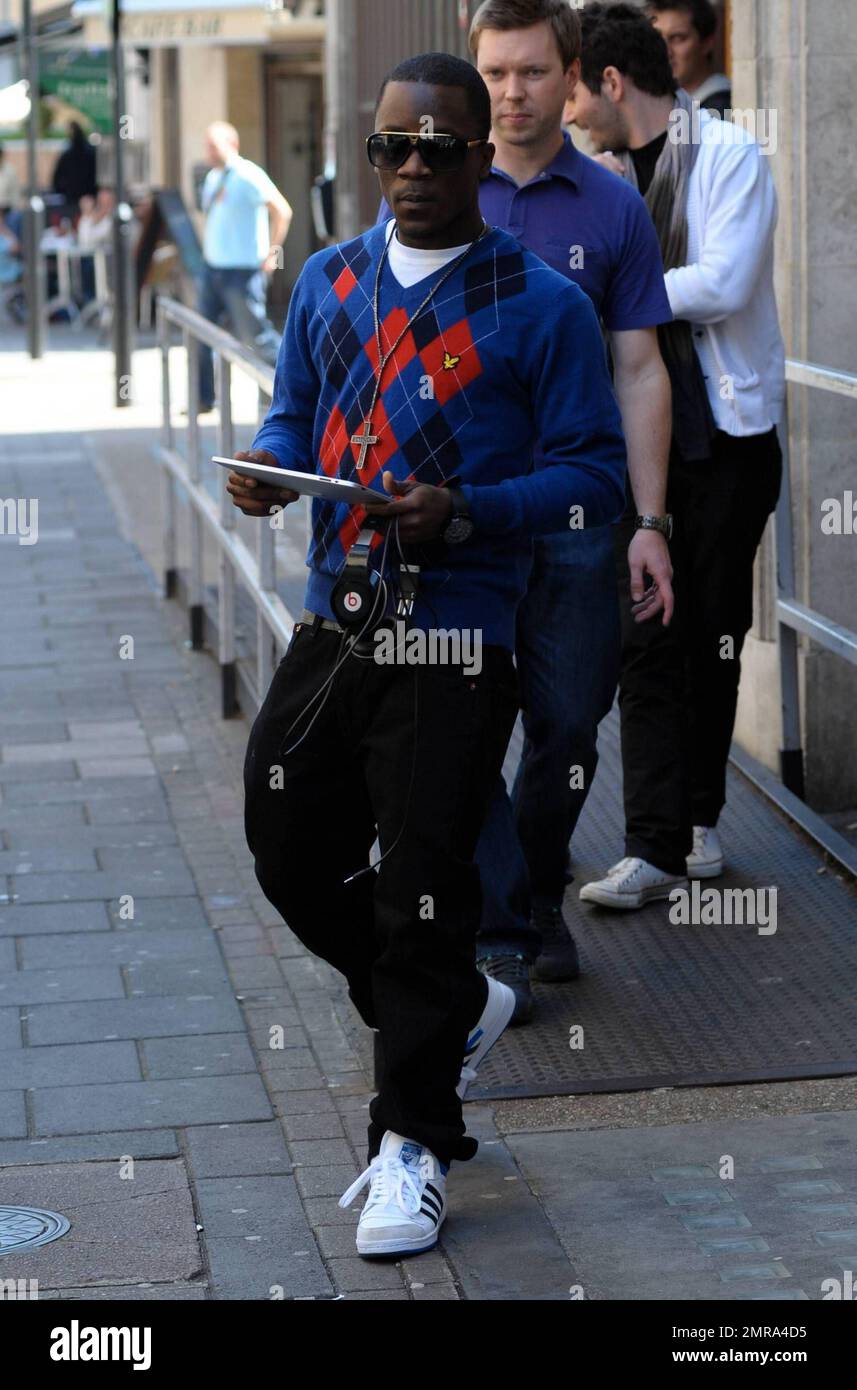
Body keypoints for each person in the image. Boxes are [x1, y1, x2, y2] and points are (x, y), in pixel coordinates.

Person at [228, 52, 626, 1259]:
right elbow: (296, 412)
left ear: (476, 154)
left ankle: (412, 1143)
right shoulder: (329, 280)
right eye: (390, 148)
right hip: (333, 618)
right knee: (285, 838)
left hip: (457, 631)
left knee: (418, 888)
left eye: (437, 148)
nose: (410, 168)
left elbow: (592, 480)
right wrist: (263, 461)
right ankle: (454, 1005)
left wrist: (464, 509)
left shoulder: (540, 303)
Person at [374, 1, 674, 1023]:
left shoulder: (610, 207)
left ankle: (535, 882)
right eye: (494, 72)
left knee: (568, 722)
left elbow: (639, 369)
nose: (511, 92)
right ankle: (509, 917)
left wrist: (649, 521)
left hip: (579, 521)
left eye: (532, 72)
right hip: (459, 526)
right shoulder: (428, 188)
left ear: (571, 74)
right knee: (457, 724)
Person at [567, 3, 784, 908]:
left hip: (726, 441)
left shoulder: (728, 155)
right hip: (638, 438)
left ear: (612, 83)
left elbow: (726, 282)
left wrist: (616, 290)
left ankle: (697, 821)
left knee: (712, 634)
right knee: (647, 636)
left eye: (575, 91)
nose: (569, 112)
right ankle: (651, 843)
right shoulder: (594, 176)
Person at [195, 122, 292, 414]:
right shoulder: (213, 178)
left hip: (242, 272)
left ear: (232, 144)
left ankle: (289, 389)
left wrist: (273, 253)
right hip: (213, 268)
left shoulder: (248, 174)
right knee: (202, 337)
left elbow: (282, 211)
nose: (209, 152)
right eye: (207, 146)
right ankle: (204, 398)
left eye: (215, 146)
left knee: (256, 338)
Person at [647, 0, 732, 116]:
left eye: (677, 38)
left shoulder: (721, 108)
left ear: (707, 43)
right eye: (656, 38)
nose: (665, 51)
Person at [51, 121, 97, 209]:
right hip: (87, 196)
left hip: (72, 197)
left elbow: (57, 177)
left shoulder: (68, 153)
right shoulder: (90, 151)